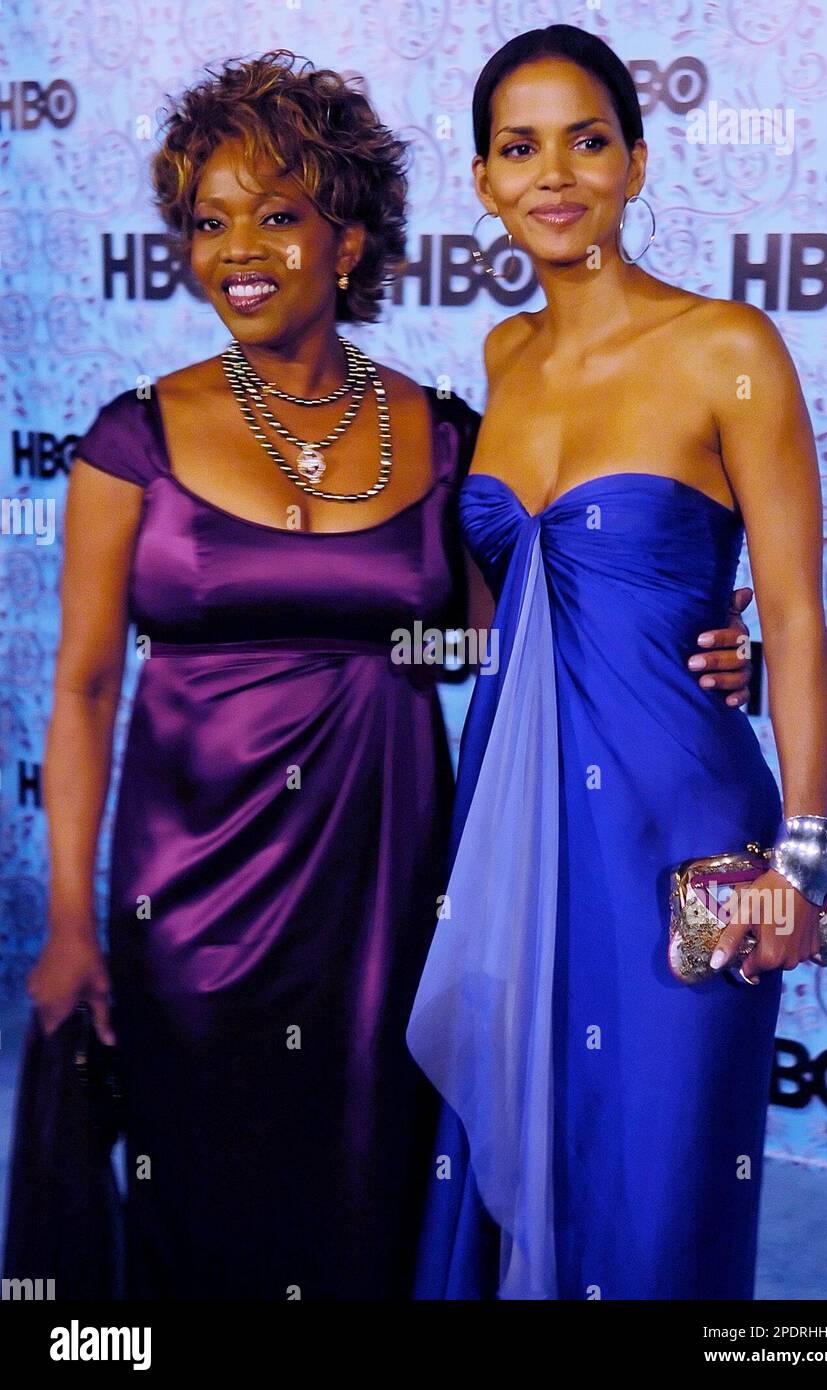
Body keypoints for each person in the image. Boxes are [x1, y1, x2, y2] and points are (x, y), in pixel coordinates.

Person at [20, 49, 754, 1301]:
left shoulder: (450, 429)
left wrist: (709, 637)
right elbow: (86, 691)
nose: (235, 247)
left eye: (276, 212)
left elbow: (502, 636)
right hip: (187, 892)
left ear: (348, 240)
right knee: (196, 1181)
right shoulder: (127, 438)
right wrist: (74, 920)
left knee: (379, 1179)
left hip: (393, 884)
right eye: (207, 219)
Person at [407, 26, 827, 1301]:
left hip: (680, 829)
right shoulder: (500, 359)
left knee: (659, 1198)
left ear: (637, 164)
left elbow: (799, 616)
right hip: (513, 832)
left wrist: (802, 862)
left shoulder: (728, 347)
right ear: (483, 181)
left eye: (586, 140)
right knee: (518, 1163)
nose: (554, 174)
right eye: (518, 147)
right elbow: (514, 607)